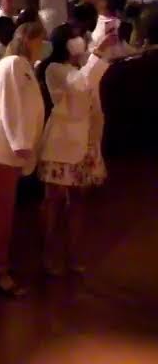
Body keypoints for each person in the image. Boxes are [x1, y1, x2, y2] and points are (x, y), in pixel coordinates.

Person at [0, 21, 48, 296]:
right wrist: (20, 144)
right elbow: (11, 105)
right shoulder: (13, 64)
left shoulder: (25, 67)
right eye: (41, 39)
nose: (43, 45)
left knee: (3, 213)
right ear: (29, 39)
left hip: (9, 153)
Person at [37, 24, 111, 276]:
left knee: (79, 200)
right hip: (61, 141)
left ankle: (72, 254)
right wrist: (98, 55)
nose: (78, 41)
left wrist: (96, 141)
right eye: (73, 37)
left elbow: (94, 100)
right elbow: (79, 85)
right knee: (54, 200)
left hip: (85, 141)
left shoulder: (83, 68)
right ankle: (47, 254)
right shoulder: (54, 69)